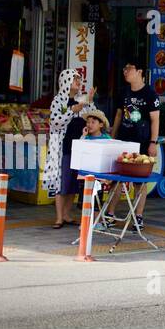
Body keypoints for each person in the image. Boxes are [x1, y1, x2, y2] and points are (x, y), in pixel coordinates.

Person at [111, 63, 160, 225]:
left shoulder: (150, 93)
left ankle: (138, 216)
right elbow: (118, 116)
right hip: (123, 141)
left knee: (140, 182)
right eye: (124, 69)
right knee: (117, 179)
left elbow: (155, 120)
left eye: (129, 69)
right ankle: (110, 213)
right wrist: (112, 138)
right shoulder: (123, 92)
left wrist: (153, 142)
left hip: (142, 142)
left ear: (139, 71)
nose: (125, 72)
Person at [46, 69, 92, 228]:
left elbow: (91, 119)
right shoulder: (58, 101)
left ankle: (67, 214)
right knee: (61, 182)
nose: (78, 82)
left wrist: (88, 104)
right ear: (66, 81)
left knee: (73, 182)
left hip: (78, 147)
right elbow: (55, 121)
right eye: (75, 79)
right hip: (62, 147)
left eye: (79, 80)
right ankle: (59, 217)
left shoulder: (82, 101)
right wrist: (72, 110)